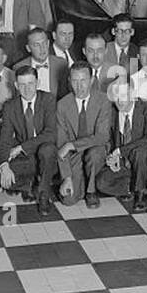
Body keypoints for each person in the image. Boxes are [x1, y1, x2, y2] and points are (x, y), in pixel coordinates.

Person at [0, 64, 58, 215]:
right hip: (27, 157)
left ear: (38, 83)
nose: (27, 89)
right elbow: (4, 139)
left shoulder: (48, 99)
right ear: (16, 85)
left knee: (47, 149)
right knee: (5, 180)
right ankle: (35, 182)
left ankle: (43, 194)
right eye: (22, 85)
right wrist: (4, 165)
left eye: (30, 84)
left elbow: (50, 134)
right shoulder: (10, 106)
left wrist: (21, 147)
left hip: (45, 153)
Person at [55, 61, 111, 207]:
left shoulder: (103, 100)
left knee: (94, 154)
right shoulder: (62, 105)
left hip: (96, 149)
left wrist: (72, 145)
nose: (79, 86)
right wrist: (67, 177)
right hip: (75, 154)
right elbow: (61, 145)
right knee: (68, 200)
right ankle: (81, 180)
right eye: (75, 81)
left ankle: (91, 191)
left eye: (83, 80)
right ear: (69, 81)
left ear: (91, 80)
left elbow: (102, 136)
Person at [97, 80, 147, 211]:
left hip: (141, 162)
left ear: (133, 94)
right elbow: (108, 139)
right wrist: (111, 157)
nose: (120, 101)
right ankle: (131, 186)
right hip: (123, 163)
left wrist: (120, 151)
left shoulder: (145, 108)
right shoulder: (112, 112)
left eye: (123, 95)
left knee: (140, 152)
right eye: (116, 96)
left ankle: (141, 192)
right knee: (101, 183)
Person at [14, 26, 69, 100]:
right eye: (37, 45)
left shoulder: (61, 64)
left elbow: (65, 95)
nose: (42, 48)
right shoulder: (19, 67)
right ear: (28, 48)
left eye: (44, 43)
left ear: (48, 43)